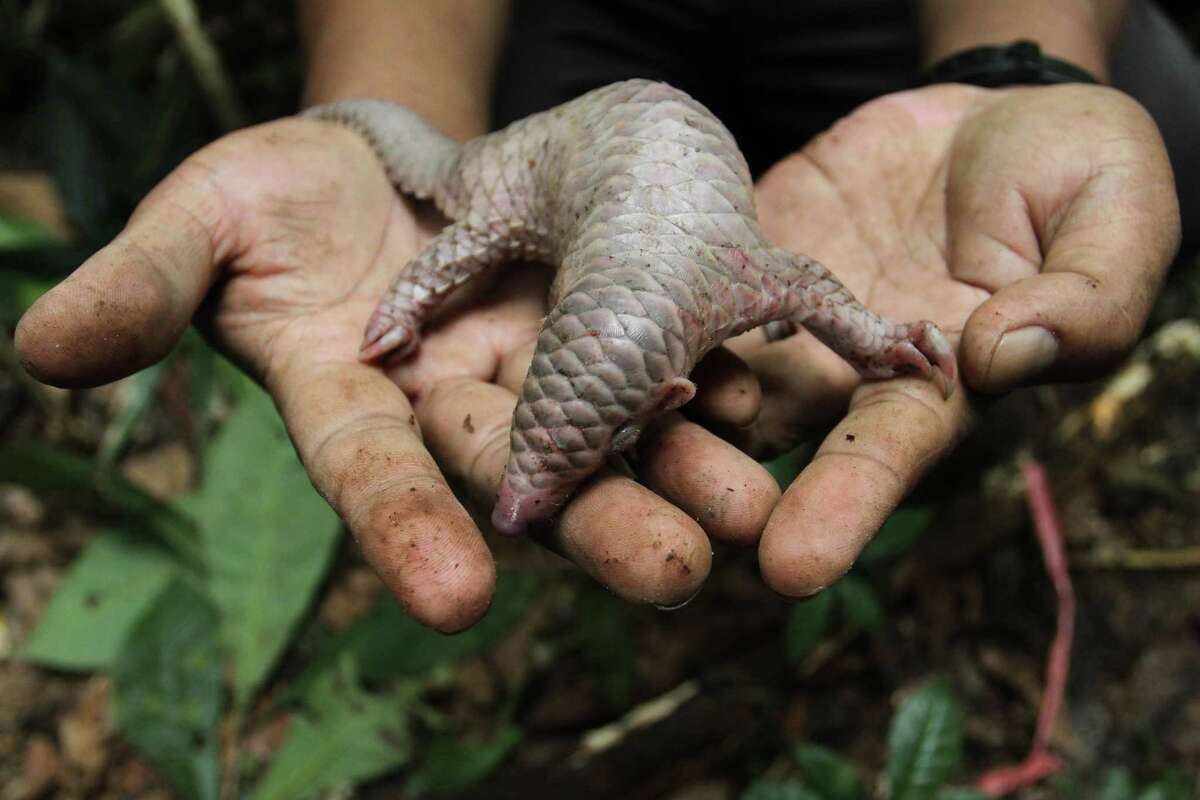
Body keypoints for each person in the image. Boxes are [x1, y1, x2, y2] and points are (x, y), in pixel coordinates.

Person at [14, 0, 1191, 631]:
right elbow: (807, 286)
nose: (521, 497)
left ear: (671, 390)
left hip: (847, 44)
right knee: (479, 208)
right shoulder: (731, 278)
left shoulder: (731, 278)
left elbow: (815, 291)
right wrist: (409, 257)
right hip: (566, 123)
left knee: (1172, 104)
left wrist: (1015, 70)